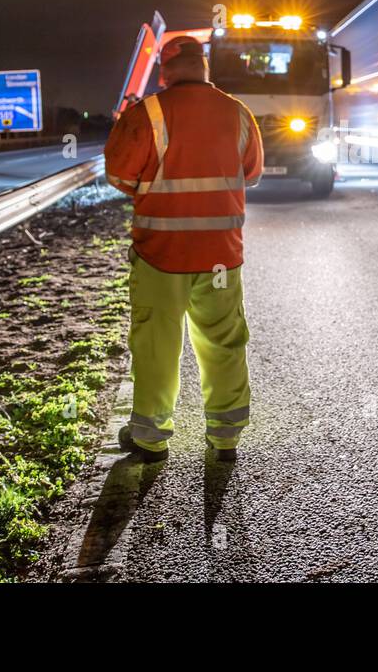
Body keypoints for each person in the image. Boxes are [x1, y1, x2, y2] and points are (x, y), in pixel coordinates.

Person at [103, 34, 264, 463]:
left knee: (157, 342)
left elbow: (119, 176)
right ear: (204, 66)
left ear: (165, 70)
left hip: (162, 255)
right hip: (220, 257)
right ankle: (225, 436)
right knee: (223, 341)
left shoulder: (147, 113)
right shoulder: (238, 112)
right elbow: (251, 174)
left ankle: (151, 440)